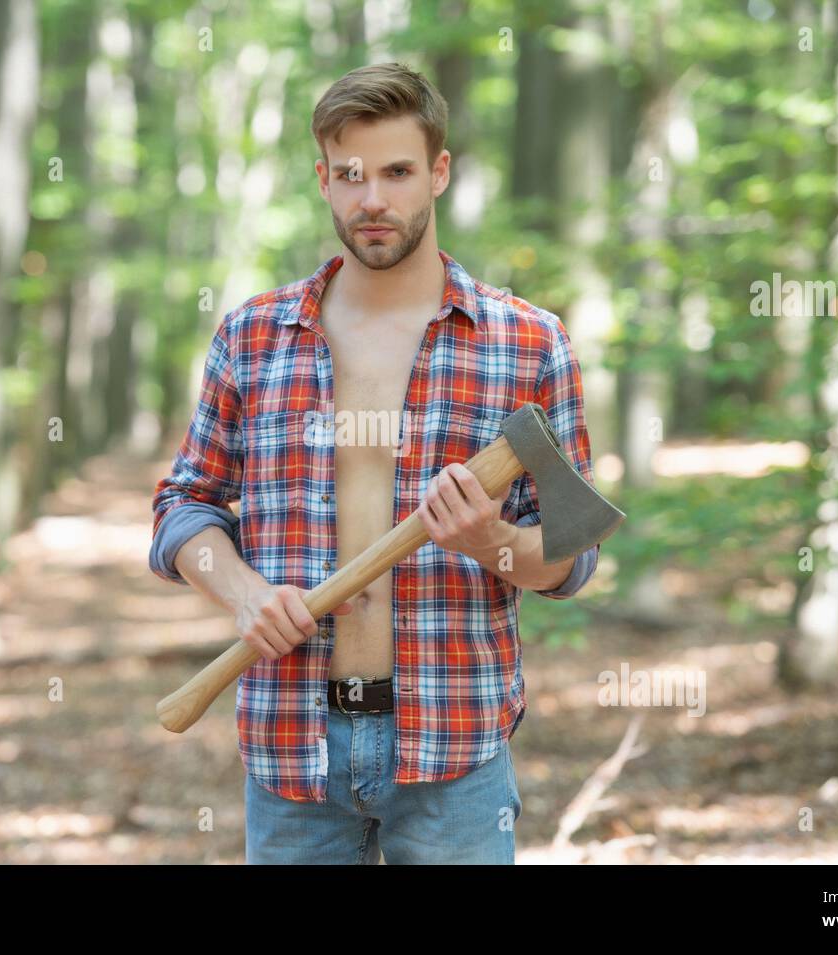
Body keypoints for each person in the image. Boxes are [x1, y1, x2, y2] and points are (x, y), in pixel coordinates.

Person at [150, 62, 599, 864]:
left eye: (397, 171)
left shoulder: (527, 341)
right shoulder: (252, 338)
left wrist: (486, 540)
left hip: (456, 744)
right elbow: (184, 507)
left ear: (439, 172)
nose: (374, 200)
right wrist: (244, 592)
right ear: (323, 179)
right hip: (293, 744)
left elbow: (570, 559)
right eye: (351, 175)